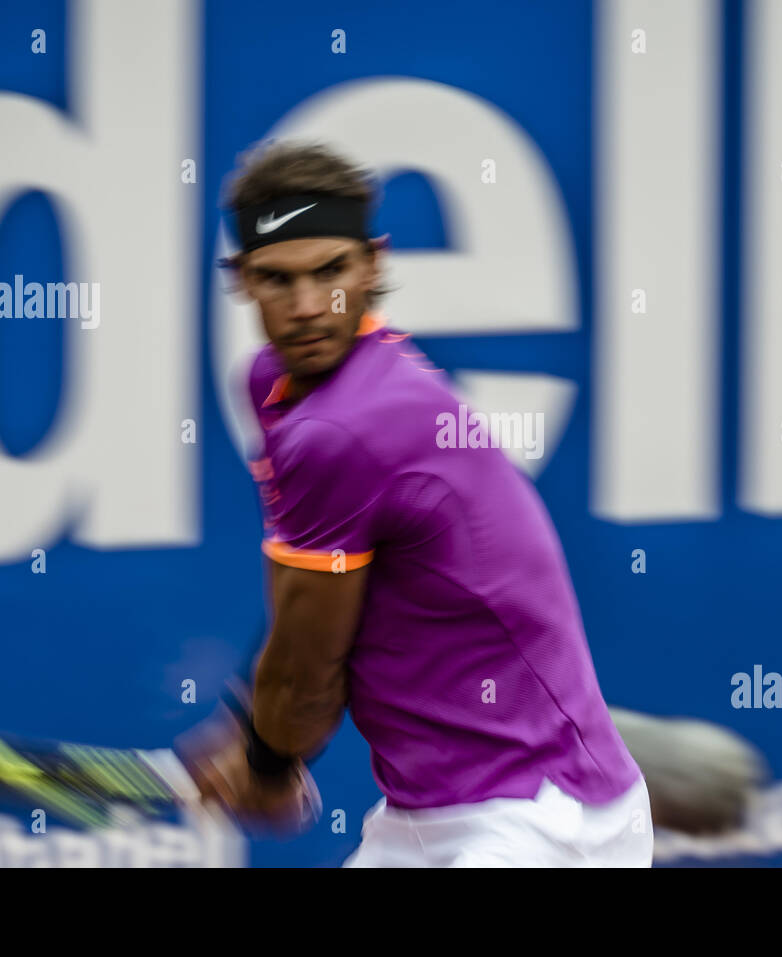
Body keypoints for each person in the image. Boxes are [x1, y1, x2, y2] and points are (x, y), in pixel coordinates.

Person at [183, 138, 652, 867]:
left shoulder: (342, 429)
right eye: (277, 279)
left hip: (538, 823)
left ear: (375, 263)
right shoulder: (276, 388)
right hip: (426, 815)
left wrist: (270, 763)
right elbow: (307, 611)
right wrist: (258, 730)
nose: (309, 307)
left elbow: (309, 668)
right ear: (241, 279)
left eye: (331, 272)